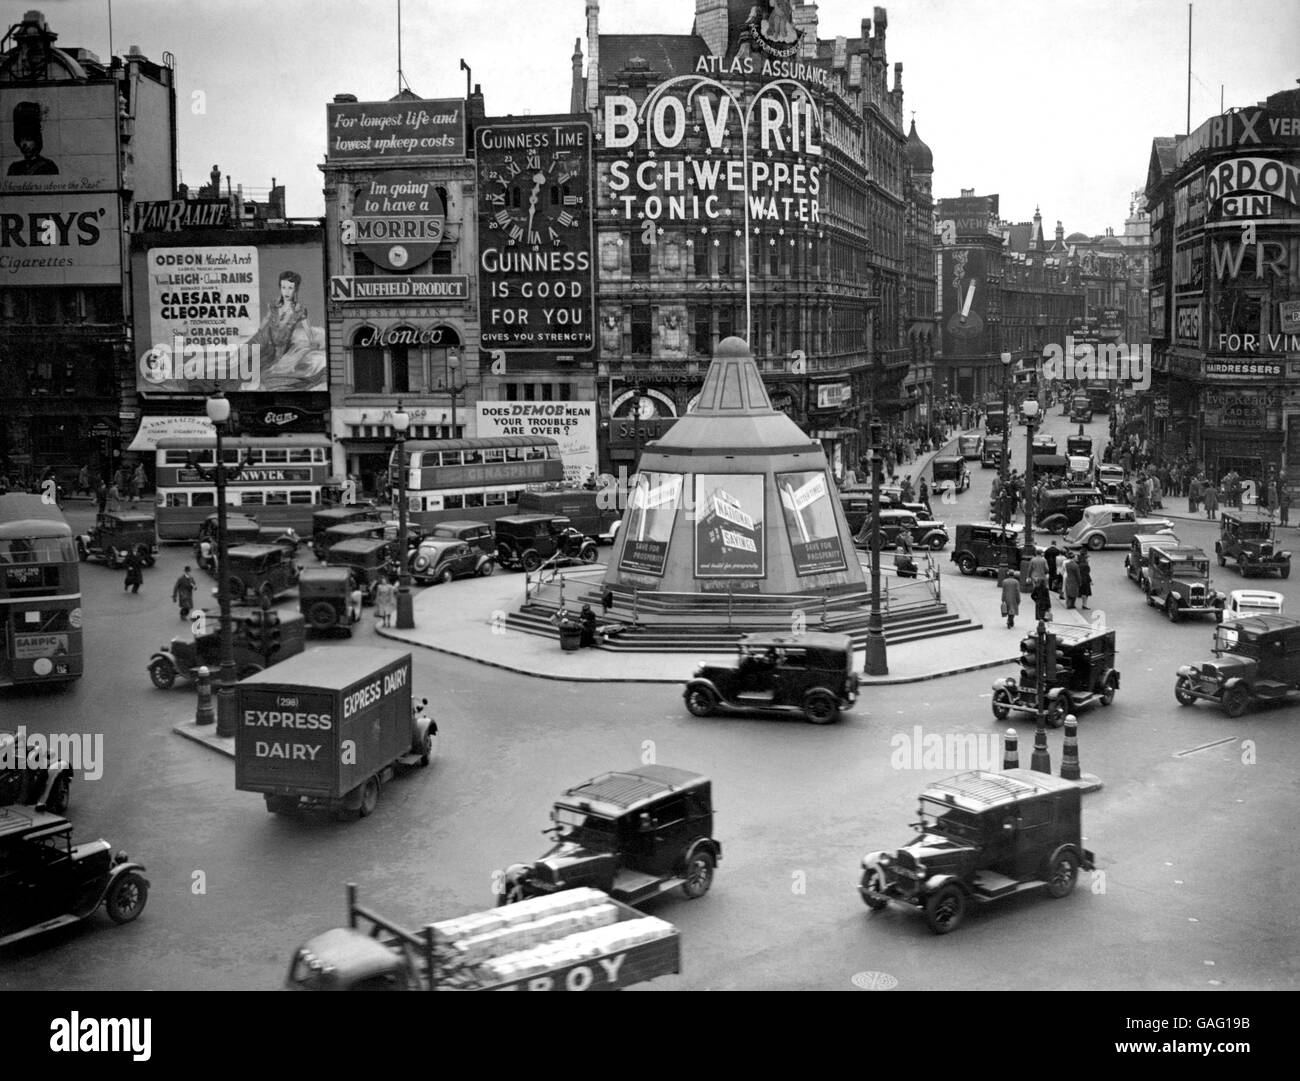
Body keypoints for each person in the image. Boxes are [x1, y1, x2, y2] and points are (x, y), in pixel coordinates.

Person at [244, 269, 327, 391]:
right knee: (241, 361)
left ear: (296, 289)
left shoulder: (299, 310)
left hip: (279, 347)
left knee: (265, 375)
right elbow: (266, 319)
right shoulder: (274, 304)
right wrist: (257, 332)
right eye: (283, 287)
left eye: (290, 288)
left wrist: (312, 342)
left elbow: (307, 328)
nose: (286, 291)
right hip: (263, 339)